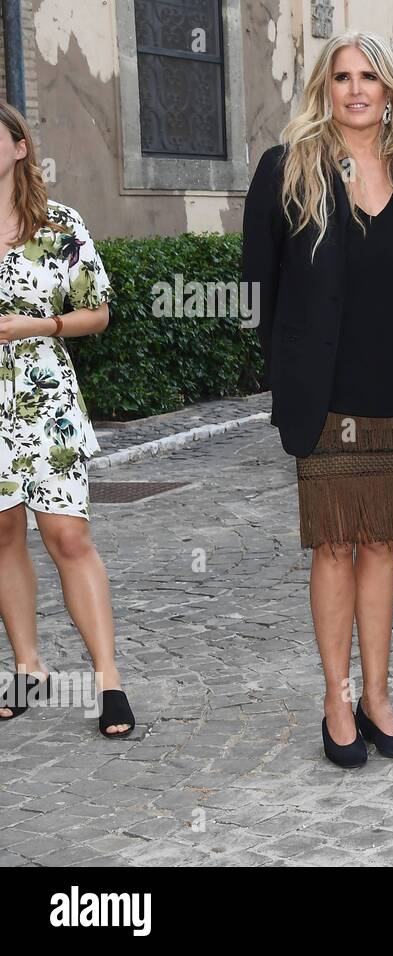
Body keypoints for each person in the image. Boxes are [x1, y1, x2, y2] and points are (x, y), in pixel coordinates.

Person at [242, 32, 393, 768]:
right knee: (333, 545)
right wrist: (289, 381)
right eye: (341, 78)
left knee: (382, 542)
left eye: (369, 78)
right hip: (325, 399)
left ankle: (378, 696)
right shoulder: (286, 169)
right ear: (325, 89)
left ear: (389, 91)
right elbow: (260, 287)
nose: (355, 90)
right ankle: (336, 694)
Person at [0, 101, 132, 737]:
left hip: (45, 397)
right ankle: (28, 666)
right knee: (2, 535)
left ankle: (108, 680)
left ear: (20, 146)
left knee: (67, 537)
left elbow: (98, 312)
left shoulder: (60, 226)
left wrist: (39, 325)